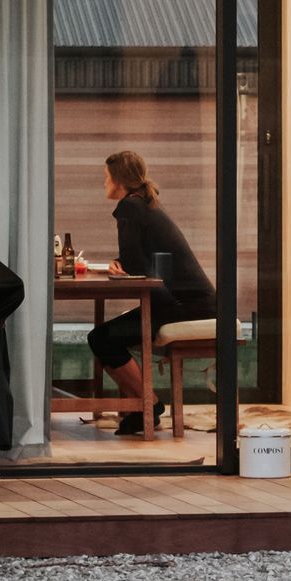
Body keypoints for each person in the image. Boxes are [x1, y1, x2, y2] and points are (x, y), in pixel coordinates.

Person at [90, 149, 215, 435]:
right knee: (104, 337)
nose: (104, 183)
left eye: (106, 178)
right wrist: (121, 262)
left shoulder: (130, 208)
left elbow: (135, 262)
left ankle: (149, 404)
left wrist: (122, 265)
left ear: (119, 180)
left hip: (185, 305)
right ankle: (146, 404)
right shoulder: (143, 204)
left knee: (101, 338)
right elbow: (139, 259)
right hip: (186, 301)